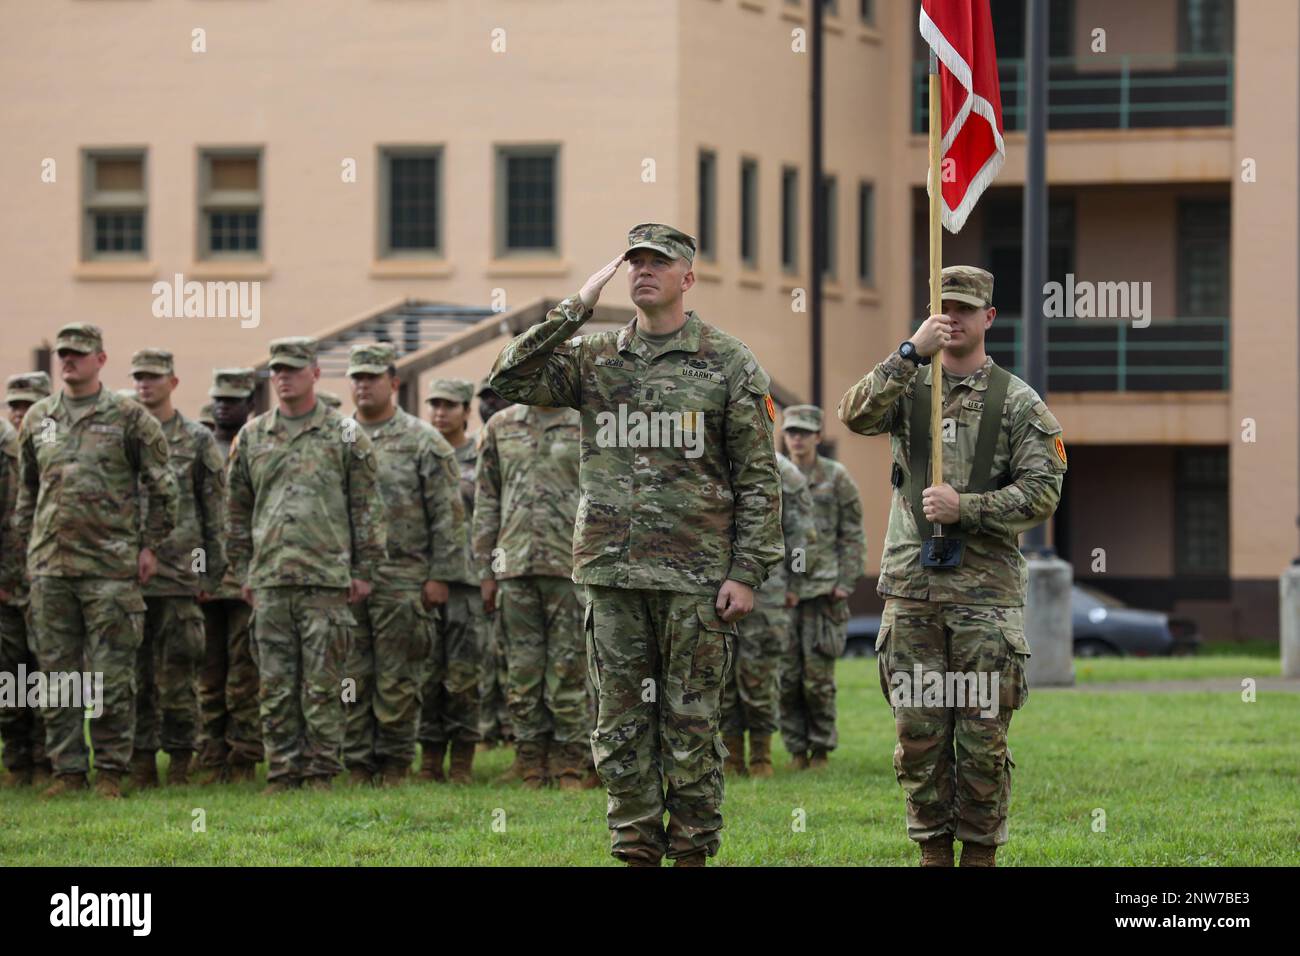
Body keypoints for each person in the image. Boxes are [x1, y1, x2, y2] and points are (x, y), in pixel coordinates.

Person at [489, 222, 783, 866]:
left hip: (697, 578)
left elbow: (758, 478)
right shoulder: (595, 357)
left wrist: (748, 572)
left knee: (691, 723)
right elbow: (507, 379)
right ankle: (635, 853)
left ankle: (692, 853)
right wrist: (576, 306)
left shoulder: (728, 362)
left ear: (688, 276)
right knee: (619, 727)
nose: (644, 271)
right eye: (634, 262)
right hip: (611, 572)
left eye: (659, 261)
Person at [837, 265, 1067, 867]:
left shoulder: (1017, 401)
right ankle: (933, 853)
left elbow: (1044, 492)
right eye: (945, 307)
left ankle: (981, 854)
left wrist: (969, 507)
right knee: (918, 737)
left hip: (984, 599)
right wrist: (910, 352)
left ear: (988, 318)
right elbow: (853, 413)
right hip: (912, 591)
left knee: (983, 738)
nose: (955, 317)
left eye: (966, 308)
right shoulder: (909, 386)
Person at [1, 324, 178, 798]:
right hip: (51, 570)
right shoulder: (40, 417)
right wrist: (28, 551)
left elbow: (164, 487)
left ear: (101, 359)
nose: (69, 361)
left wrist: (150, 546)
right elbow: (28, 494)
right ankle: (68, 772)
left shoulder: (128, 416)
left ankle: (113, 773)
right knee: (56, 677)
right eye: (64, 354)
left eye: (79, 353)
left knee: (111, 677)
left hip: (110, 570)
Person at [226, 337, 387, 793]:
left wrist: (363, 570)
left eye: (293, 369)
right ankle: (281, 771)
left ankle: (319, 772)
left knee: (323, 684)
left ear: (315, 374)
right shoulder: (253, 436)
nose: (283, 377)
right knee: (275, 685)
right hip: (271, 579)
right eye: (277, 369)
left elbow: (367, 506)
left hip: (326, 580)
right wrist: (243, 572)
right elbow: (236, 509)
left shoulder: (345, 433)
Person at [342, 345, 466, 786]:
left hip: (405, 579)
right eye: (356, 377)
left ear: (393, 384)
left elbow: (448, 514)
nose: (362, 385)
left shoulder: (422, 440)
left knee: (398, 679)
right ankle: (357, 764)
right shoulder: (336, 436)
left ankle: (395, 765)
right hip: (348, 581)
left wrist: (439, 576)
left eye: (372, 377)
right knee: (352, 677)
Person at [473, 399, 590, 789]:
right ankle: (529, 762)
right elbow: (487, 499)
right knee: (520, 671)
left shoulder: (586, 423)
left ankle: (569, 763)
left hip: (569, 567)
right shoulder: (500, 426)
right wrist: (485, 569)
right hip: (514, 567)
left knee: (569, 669)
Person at [129, 349, 227, 788]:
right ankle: (141, 763)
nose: (144, 385)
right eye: (138, 378)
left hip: (181, 576)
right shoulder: (121, 435)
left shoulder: (196, 438)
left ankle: (183, 762)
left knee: (180, 678)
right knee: (134, 678)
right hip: (128, 580)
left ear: (173, 382)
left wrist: (206, 573)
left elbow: (212, 513)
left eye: (153, 377)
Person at [779, 405, 865, 770]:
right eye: (791, 431)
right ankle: (796, 749)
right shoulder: (774, 474)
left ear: (817, 436)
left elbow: (852, 534)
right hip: (784, 591)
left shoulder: (836, 477)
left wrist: (846, 581)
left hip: (824, 590)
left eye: (804, 432)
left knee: (818, 679)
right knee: (786, 677)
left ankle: (821, 749)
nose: (797, 438)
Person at [720, 451, 815, 778]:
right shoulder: (718, 459)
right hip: (718, 583)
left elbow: (801, 537)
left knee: (760, 672)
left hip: (769, 589)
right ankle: (731, 756)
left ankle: (761, 755)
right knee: (722, 670)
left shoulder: (786, 473)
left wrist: (795, 584)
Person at [194, 368, 263, 784]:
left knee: (244, 675)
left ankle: (243, 759)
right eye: (218, 398)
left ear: (249, 405)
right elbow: (193, 517)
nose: (224, 405)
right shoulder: (201, 448)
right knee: (208, 675)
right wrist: (199, 574)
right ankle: (210, 756)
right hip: (207, 583)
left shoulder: (256, 445)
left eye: (233, 399)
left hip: (246, 580)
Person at [417, 379, 487, 783]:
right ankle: (428, 760)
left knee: (463, 676)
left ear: (466, 410)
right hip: (425, 579)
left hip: (468, 582)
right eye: (435, 405)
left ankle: (461, 760)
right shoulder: (422, 452)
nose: (441, 412)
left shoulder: (480, 455)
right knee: (426, 673)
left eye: (450, 405)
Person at [0, 373, 53, 788]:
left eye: (28, 404)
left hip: (49, 582)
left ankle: (48, 759)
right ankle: (17, 762)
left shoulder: (56, 448)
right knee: (10, 677)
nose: (21, 413)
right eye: (14, 405)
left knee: (51, 676)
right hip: (6, 587)